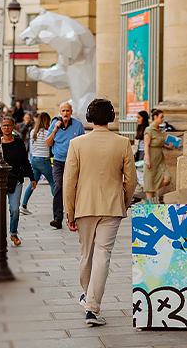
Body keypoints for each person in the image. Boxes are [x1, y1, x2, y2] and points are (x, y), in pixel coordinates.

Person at [63, 98, 135, 327]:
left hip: (84, 206)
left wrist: (69, 211)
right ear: (111, 117)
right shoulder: (123, 143)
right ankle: (91, 304)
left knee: (87, 254)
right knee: (103, 254)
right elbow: (131, 180)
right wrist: (122, 200)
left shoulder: (77, 143)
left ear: (89, 117)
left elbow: (69, 182)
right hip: (112, 206)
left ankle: (89, 300)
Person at [45, 102, 84, 229]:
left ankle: (76, 216)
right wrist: (55, 129)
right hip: (58, 161)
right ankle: (57, 218)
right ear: (60, 112)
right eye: (63, 111)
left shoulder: (78, 125)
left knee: (75, 188)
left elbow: (83, 144)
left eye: (68, 110)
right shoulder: (54, 125)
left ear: (71, 112)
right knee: (58, 187)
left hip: (73, 161)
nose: (66, 113)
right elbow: (48, 143)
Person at [0, 116, 35, 246]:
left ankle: (13, 233)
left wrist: (32, 178)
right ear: (0, 127)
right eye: (4, 125)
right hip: (0, 181)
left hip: (16, 180)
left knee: (14, 210)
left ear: (13, 127)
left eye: (9, 125)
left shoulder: (18, 142)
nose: (6, 128)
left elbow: (25, 161)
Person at [20, 112, 53, 216]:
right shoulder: (48, 132)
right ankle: (60, 205)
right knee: (54, 183)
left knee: (32, 183)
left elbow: (31, 147)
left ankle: (23, 205)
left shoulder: (33, 132)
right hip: (44, 160)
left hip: (34, 160)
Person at [144, 109, 172, 201]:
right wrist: (147, 160)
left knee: (167, 177)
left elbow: (160, 142)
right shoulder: (149, 130)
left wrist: (168, 146)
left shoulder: (159, 130)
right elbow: (146, 146)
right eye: (161, 117)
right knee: (150, 185)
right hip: (151, 159)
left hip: (160, 160)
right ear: (155, 117)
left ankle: (154, 190)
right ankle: (149, 210)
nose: (163, 119)